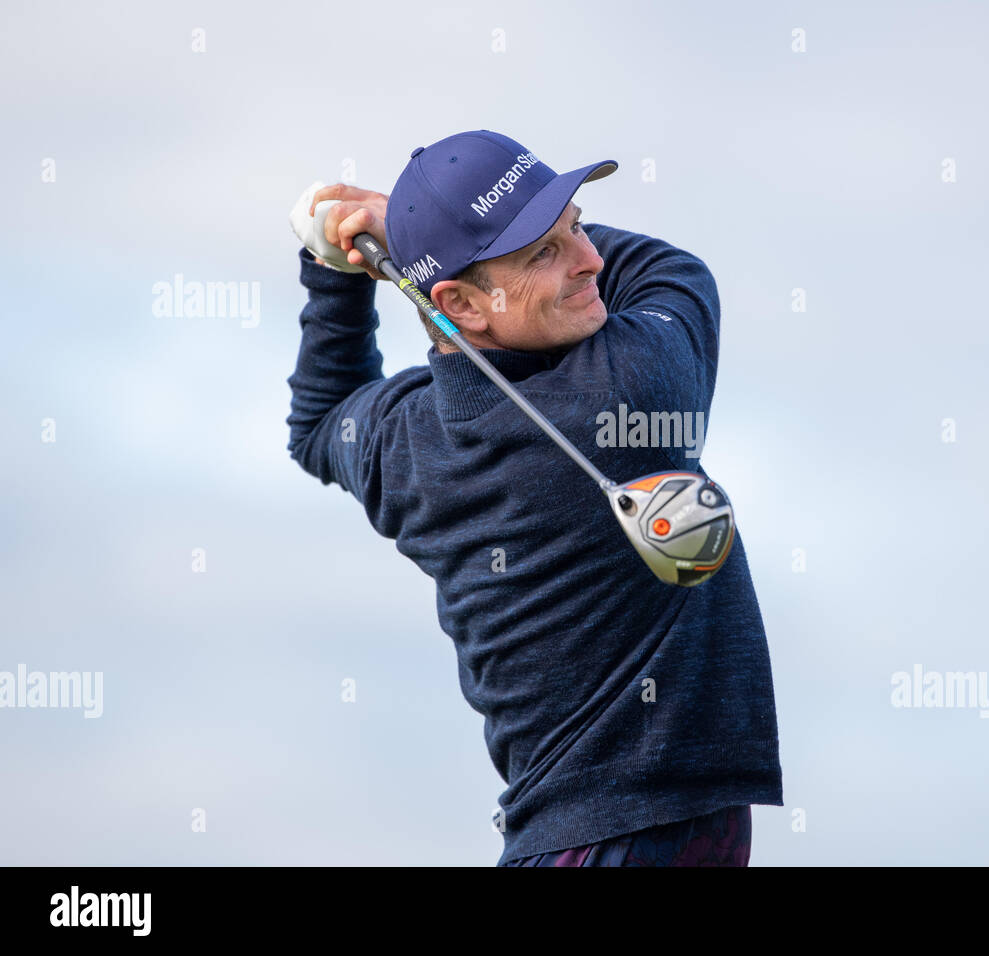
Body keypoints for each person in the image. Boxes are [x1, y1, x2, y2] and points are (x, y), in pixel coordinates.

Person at [285, 129, 782, 866]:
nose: (591, 261)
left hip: (565, 842)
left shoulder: (407, 441)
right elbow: (673, 270)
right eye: (543, 253)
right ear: (462, 303)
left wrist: (341, 270)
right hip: (631, 843)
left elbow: (322, 420)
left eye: (577, 225)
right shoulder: (628, 391)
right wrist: (403, 234)